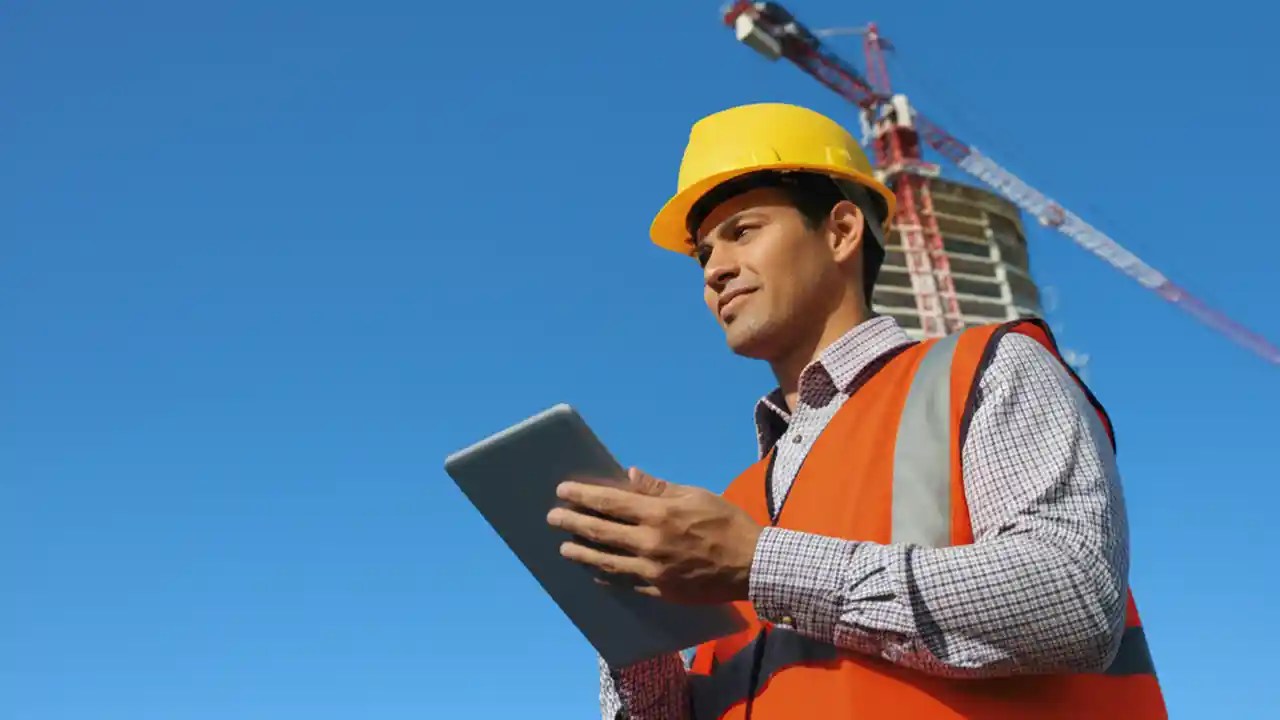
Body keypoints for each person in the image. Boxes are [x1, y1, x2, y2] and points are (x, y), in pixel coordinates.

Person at [544, 102, 1168, 719]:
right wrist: (627, 626)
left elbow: (1075, 598)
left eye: (742, 232)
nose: (716, 271)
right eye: (704, 254)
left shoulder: (986, 369)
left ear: (842, 231)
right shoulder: (730, 509)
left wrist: (760, 564)